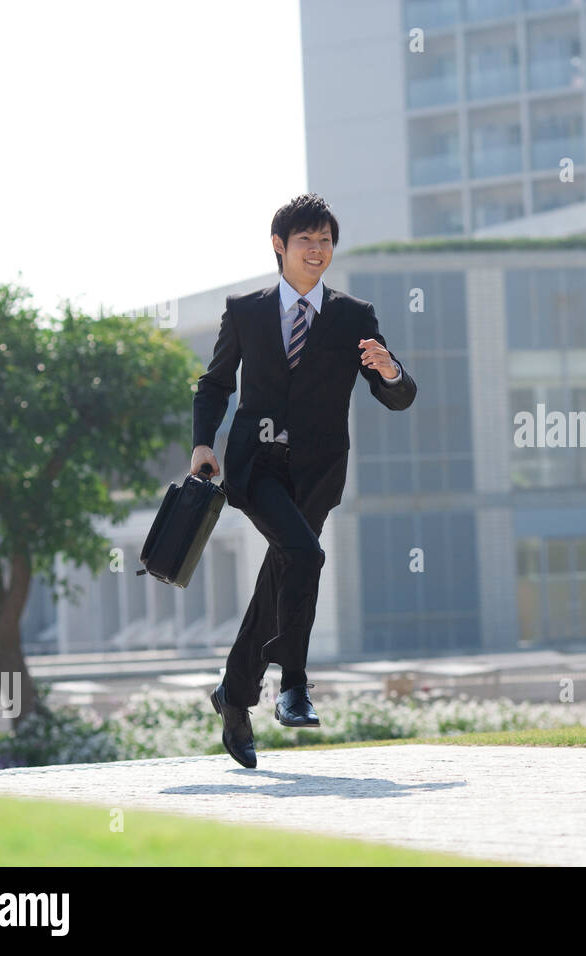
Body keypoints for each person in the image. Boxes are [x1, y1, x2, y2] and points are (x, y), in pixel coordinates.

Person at [190, 193, 416, 768]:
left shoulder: (353, 315)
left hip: (316, 472)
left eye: (326, 241)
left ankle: (233, 695)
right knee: (305, 558)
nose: (318, 251)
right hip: (256, 466)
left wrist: (391, 372)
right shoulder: (245, 310)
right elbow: (215, 383)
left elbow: (395, 395)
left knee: (285, 571)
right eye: (306, 240)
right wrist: (203, 443)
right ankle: (293, 685)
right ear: (279, 246)